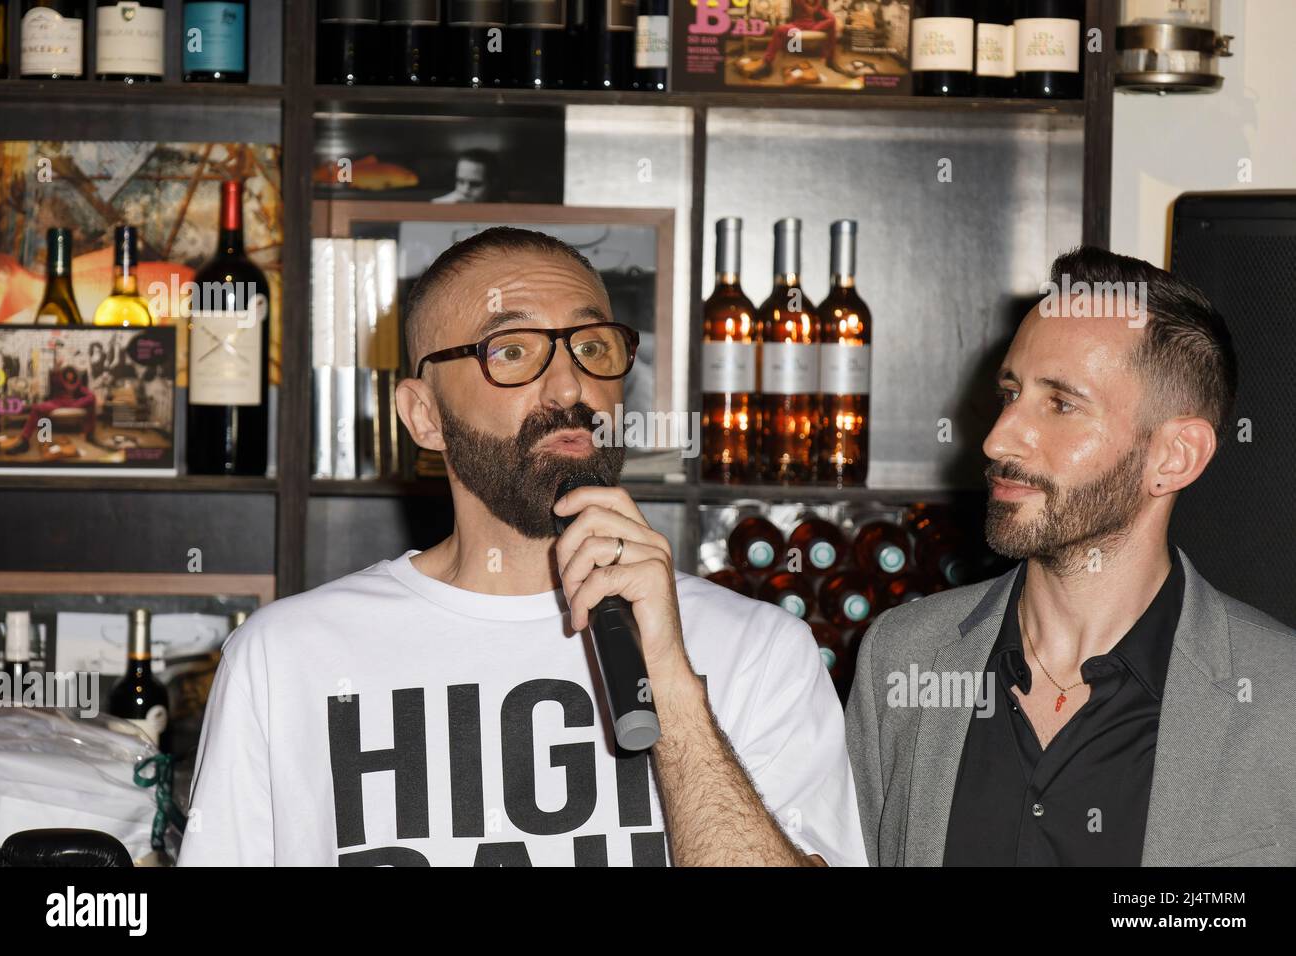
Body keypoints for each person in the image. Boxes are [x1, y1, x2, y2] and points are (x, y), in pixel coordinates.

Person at [178, 227, 868, 867]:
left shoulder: (759, 651)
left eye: (593, 348)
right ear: (424, 415)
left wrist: (673, 686)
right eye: (511, 351)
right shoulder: (285, 658)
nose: (570, 386)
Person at [845, 246, 1296, 866]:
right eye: (1010, 394)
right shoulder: (903, 657)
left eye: (1061, 404)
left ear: (1175, 457)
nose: (999, 438)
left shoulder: (1279, 697)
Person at [431, 149, 498, 204]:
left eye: (475, 184)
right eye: (460, 181)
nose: (465, 191)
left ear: (493, 184)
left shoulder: (505, 208)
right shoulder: (441, 204)